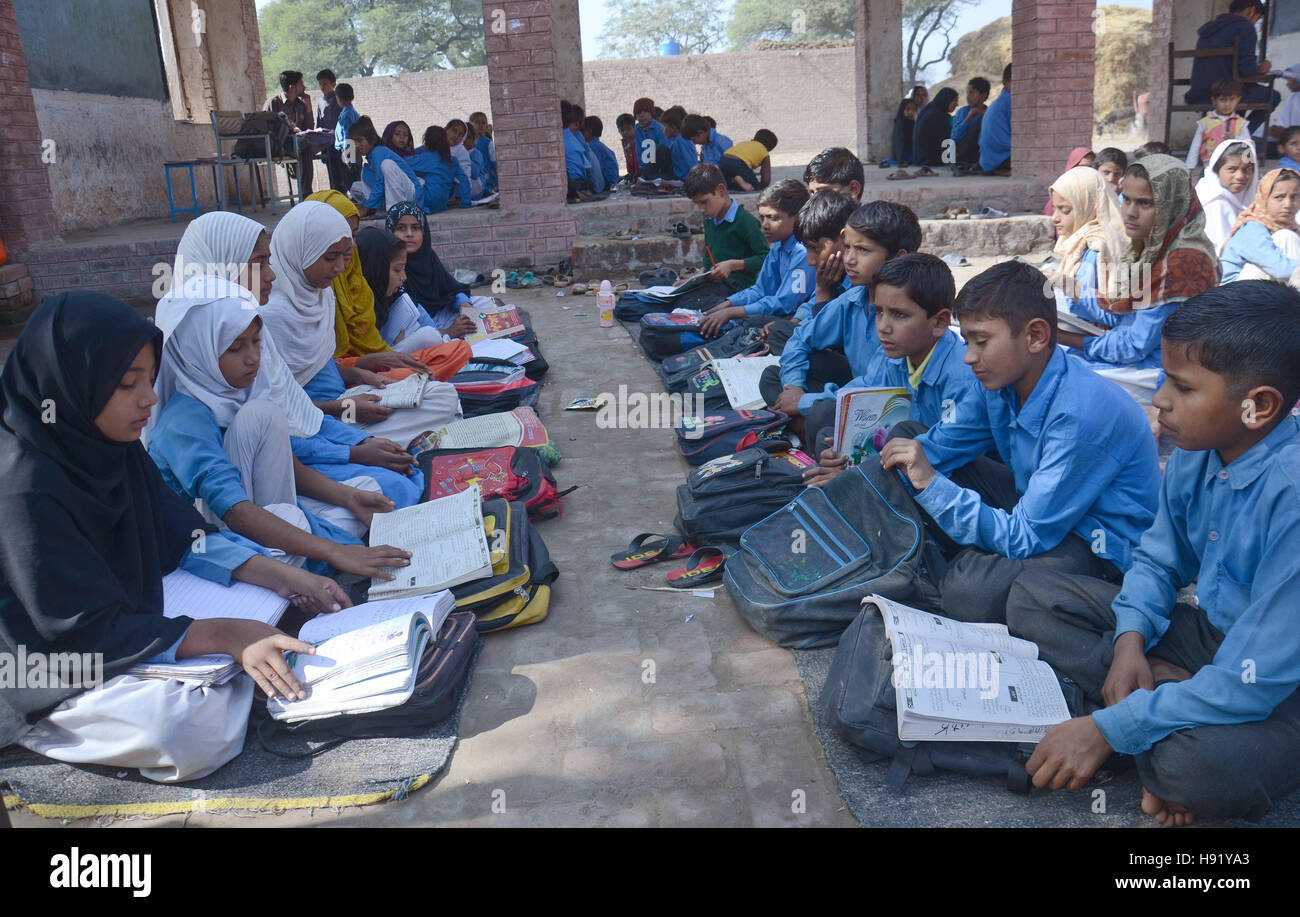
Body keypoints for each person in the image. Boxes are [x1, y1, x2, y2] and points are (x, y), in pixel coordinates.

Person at [0, 292, 351, 782]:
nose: (149, 398)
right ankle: (45, 729)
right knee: (184, 727)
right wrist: (225, 635)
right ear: (70, 385)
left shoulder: (110, 445)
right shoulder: (23, 486)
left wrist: (283, 576)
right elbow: (76, 629)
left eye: (149, 378)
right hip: (48, 661)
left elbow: (185, 535)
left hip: (133, 617)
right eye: (127, 384)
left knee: (282, 588)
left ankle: (235, 673)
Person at [1010, 282, 1300, 824]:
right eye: (1164, 378)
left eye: (1182, 387)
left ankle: (1154, 722)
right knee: (1033, 595)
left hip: (1280, 685)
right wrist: (1130, 643)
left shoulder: (1292, 496)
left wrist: (1108, 729)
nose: (1161, 399)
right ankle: (1164, 695)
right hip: (1211, 638)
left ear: (1258, 406)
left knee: (1194, 768)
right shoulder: (1199, 449)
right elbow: (1159, 562)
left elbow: (1258, 677)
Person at [878, 260, 1160, 624]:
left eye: (982, 342)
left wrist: (931, 486)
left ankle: (958, 565)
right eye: (967, 341)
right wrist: (862, 478)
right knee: (908, 442)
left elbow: (1024, 534)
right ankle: (958, 561)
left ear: (1035, 336)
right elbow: (939, 446)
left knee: (970, 592)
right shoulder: (997, 383)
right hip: (1034, 507)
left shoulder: (1079, 415)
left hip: (1093, 542)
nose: (969, 357)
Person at [162, 210, 424, 510]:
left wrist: (359, 441)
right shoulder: (208, 357)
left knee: (409, 452)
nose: (271, 275)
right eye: (259, 264)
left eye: (270, 262)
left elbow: (298, 412)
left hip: (314, 440)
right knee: (389, 488)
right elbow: (279, 441)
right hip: (270, 488)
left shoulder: (253, 328)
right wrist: (352, 445)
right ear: (220, 266)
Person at [148, 289, 411, 573]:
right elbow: (234, 511)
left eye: (256, 342)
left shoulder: (240, 389)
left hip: (261, 511)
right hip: (215, 538)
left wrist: (349, 497)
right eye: (236, 348)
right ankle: (296, 557)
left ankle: (297, 548)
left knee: (365, 490)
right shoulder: (184, 423)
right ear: (198, 351)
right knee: (293, 517)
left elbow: (287, 463)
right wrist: (334, 551)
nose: (253, 358)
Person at [262, 200, 465, 448]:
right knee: (441, 406)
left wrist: (361, 374)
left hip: (349, 399)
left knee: (444, 395)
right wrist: (346, 407)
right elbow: (280, 406)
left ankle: (384, 438)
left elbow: (321, 365)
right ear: (299, 252)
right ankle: (366, 443)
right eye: (330, 258)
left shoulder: (321, 296)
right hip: (319, 418)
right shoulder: (273, 315)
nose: (340, 268)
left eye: (345, 256)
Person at [803, 253, 973, 485]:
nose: (883, 327)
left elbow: (945, 450)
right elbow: (861, 394)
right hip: (896, 449)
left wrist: (862, 474)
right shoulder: (893, 354)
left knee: (907, 431)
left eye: (900, 315)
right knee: (828, 434)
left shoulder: (961, 376)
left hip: (944, 468)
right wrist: (847, 448)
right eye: (879, 312)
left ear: (940, 322)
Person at [769, 201, 922, 441]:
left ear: (897, 258)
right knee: (772, 376)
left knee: (822, 412)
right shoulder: (854, 298)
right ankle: (808, 426)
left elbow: (874, 387)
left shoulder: (906, 311)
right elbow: (800, 338)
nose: (849, 259)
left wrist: (803, 402)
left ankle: (808, 428)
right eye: (848, 248)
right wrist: (794, 388)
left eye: (863, 250)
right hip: (855, 388)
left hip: (885, 403)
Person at [1054, 162, 1203, 407]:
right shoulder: (1145, 250)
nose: (1130, 213)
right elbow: (1122, 314)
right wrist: (1073, 291)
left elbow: (1133, 346)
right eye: (1126, 200)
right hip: (1131, 354)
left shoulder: (1177, 267)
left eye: (1145, 203)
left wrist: (1064, 338)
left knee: (1059, 379)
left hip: (1162, 371)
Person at [757, 190, 859, 406]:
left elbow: (829, 340)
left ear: (844, 239)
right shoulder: (831, 277)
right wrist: (794, 388)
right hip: (836, 365)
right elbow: (804, 333)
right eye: (807, 249)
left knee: (805, 355)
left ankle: (803, 413)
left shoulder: (858, 283)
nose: (811, 261)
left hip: (856, 374)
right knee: (771, 374)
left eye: (816, 249)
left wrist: (823, 295)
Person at [696, 180, 813, 340]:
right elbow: (760, 290)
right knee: (714, 310)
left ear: (797, 217)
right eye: (762, 218)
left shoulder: (803, 252)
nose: (764, 225)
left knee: (742, 324)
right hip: (778, 310)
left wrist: (732, 312)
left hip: (796, 318)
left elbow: (785, 304)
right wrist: (727, 304)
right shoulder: (778, 247)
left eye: (772, 218)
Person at [386, 201, 481, 339]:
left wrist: (464, 305)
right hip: (418, 329)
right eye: (401, 228)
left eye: (415, 228)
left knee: (482, 304)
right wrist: (448, 332)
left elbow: (451, 288)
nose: (409, 234)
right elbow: (403, 328)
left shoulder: (428, 257)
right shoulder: (389, 267)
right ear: (390, 231)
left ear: (424, 231)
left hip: (440, 313)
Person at [1186, 0, 1279, 135]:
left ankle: (1228, 134)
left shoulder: (1208, 30)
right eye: (1256, 18)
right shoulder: (1244, 27)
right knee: (1273, 96)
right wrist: (1261, 69)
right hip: (1227, 92)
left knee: (1243, 90)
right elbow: (1247, 71)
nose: (1254, 23)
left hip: (1199, 93)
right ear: (1251, 10)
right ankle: (1239, 135)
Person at [1219, 168, 1300, 286]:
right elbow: (1281, 269)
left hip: (1259, 289)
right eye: (1279, 197)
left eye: (1295, 197)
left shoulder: (1292, 227)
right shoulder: (1253, 228)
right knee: (1286, 237)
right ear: (1264, 198)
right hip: (1233, 292)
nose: (1287, 204)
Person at [348, 116, 423, 217]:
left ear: (372, 140)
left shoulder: (378, 152)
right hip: (397, 192)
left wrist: (366, 208)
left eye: (359, 140)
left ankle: (397, 211)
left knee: (387, 165)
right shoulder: (371, 157)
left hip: (411, 195)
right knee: (356, 186)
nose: (356, 145)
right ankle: (379, 208)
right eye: (353, 143)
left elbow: (381, 183)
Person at [1195, 139, 1258, 251]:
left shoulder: (1253, 199)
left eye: (1246, 170)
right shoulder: (1215, 201)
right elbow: (1221, 250)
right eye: (1232, 169)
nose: (1240, 176)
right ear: (1216, 170)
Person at [267, 70, 317, 196]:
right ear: (292, 87)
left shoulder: (300, 104)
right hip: (281, 144)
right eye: (301, 84)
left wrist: (308, 106)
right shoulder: (274, 103)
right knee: (305, 145)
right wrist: (290, 129)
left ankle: (307, 192)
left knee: (311, 143)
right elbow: (270, 129)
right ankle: (306, 192)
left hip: (300, 143)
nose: (304, 86)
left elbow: (309, 128)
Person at [1185, 78, 1252, 171]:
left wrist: (1236, 139)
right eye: (1223, 100)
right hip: (1210, 166)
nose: (1227, 104)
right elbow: (1195, 145)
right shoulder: (1206, 122)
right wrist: (1190, 166)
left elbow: (1248, 144)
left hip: (1232, 167)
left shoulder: (1240, 123)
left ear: (1238, 100)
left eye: (1232, 100)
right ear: (1214, 101)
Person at [408, 125, 471, 212]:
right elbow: (464, 180)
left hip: (427, 201)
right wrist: (466, 203)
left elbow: (401, 164)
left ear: (426, 141)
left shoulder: (425, 158)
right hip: (442, 204)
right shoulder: (452, 160)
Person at [316, 69, 347, 192]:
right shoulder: (320, 102)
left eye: (325, 83)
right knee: (333, 177)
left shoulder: (339, 100)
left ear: (333, 84)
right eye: (320, 84)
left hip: (342, 144)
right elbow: (319, 123)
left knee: (346, 174)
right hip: (328, 145)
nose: (322, 87)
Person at [912, 87, 960, 168]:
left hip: (920, 160)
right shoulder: (938, 116)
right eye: (954, 100)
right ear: (946, 100)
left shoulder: (929, 109)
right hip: (930, 162)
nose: (956, 104)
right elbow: (949, 140)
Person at [979, 64, 1013, 174]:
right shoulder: (1011, 101)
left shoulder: (1001, 101)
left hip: (988, 160)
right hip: (1001, 158)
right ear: (1005, 83)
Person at [950, 77, 990, 167]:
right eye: (967, 93)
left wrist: (985, 115)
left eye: (972, 93)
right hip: (963, 153)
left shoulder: (989, 112)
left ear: (983, 95)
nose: (968, 97)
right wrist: (968, 119)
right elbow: (954, 137)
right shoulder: (962, 112)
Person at [1043, 147, 1094, 215]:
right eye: (1080, 167)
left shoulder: (1097, 192)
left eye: (1089, 168)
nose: (1085, 171)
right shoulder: (1060, 193)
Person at [632, 97, 669, 179]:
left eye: (645, 112)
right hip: (645, 169)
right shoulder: (636, 130)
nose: (641, 115)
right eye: (638, 113)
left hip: (660, 169)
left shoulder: (660, 129)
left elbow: (664, 152)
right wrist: (642, 169)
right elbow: (639, 151)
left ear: (651, 113)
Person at [333, 83, 361, 191]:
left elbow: (348, 135)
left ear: (339, 98)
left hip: (349, 152)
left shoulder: (346, 115)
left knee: (352, 181)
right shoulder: (352, 112)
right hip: (352, 151)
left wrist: (348, 155)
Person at [661, 109, 701, 182]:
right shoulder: (675, 140)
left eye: (664, 126)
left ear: (673, 128)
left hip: (683, 178)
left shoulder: (682, 140)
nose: (662, 129)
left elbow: (691, 164)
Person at [445, 119, 481, 198]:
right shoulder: (435, 146)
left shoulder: (462, 152)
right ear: (446, 129)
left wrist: (462, 198)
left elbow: (465, 178)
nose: (456, 136)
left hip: (454, 195)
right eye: (454, 130)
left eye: (460, 134)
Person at [584, 116, 620, 188]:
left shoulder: (592, 148)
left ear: (590, 131)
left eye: (583, 131)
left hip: (606, 185)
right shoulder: (600, 146)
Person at [469, 110, 497, 190]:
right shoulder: (467, 143)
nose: (480, 125)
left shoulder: (488, 143)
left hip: (488, 181)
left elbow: (495, 165)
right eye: (477, 122)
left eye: (483, 123)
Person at [890, 98, 917, 167]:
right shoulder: (900, 124)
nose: (911, 112)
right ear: (903, 110)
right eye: (908, 109)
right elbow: (898, 142)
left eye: (914, 109)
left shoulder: (913, 123)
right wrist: (901, 160)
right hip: (903, 156)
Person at [616, 113, 639, 180]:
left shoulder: (638, 141)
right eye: (622, 130)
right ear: (618, 130)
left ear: (634, 128)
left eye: (629, 129)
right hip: (633, 175)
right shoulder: (625, 142)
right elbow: (628, 160)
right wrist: (630, 173)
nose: (625, 132)